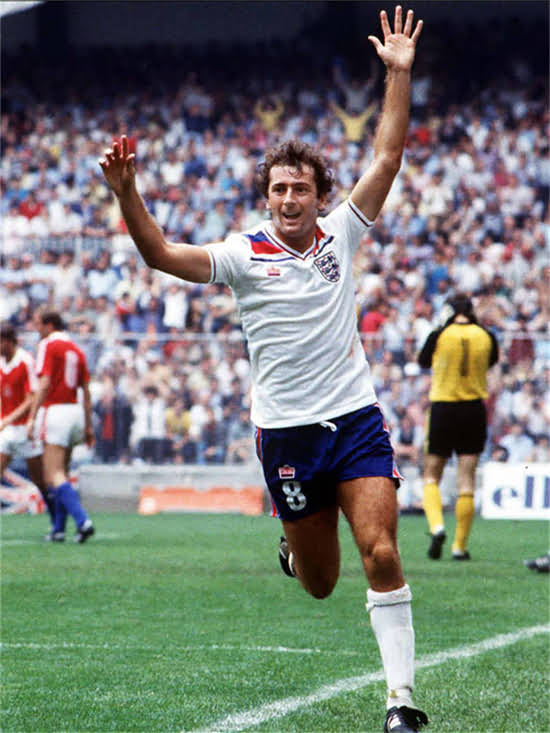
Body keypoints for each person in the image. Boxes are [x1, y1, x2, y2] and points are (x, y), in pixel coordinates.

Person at [100, 8, 427, 731]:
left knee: (380, 552)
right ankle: (294, 546)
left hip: (355, 420)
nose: (288, 199)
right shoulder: (243, 255)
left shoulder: (341, 232)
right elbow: (161, 254)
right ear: (266, 195)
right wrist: (127, 193)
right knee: (321, 582)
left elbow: (386, 159)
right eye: (278, 188)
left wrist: (398, 74)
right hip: (284, 435)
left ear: (318, 195)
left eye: (300, 188)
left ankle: (401, 702)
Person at [418, 294, 499, 561]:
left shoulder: (440, 334)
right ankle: (459, 547)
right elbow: (491, 362)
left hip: (443, 407)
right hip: (473, 409)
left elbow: (423, 361)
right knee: (467, 479)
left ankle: (437, 526)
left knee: (431, 474)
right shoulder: (486, 335)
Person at [26, 310, 95, 543]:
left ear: (49, 325)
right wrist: (88, 426)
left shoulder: (48, 345)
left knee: (52, 474)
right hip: (75, 411)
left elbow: (44, 382)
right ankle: (58, 530)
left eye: (38, 324)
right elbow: (86, 392)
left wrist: (32, 416)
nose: (36, 329)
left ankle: (83, 521)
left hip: (56, 411)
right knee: (62, 472)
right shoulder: (76, 349)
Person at [0, 321, 55, 531]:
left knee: (39, 481)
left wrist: (8, 419)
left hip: (25, 429)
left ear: (8, 341)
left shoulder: (25, 361)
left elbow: (31, 398)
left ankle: (57, 519)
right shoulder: (1, 363)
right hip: (7, 431)